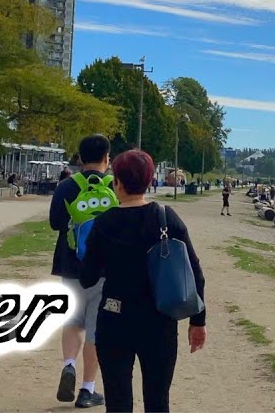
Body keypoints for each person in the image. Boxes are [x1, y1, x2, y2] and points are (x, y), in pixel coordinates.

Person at [79, 149, 206, 413]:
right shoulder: (166, 218)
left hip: (114, 320)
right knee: (158, 401)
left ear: (117, 183)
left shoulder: (103, 223)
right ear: (149, 182)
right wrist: (197, 322)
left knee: (117, 402)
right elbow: (194, 272)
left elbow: (87, 278)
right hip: (158, 322)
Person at [50, 135, 112, 408]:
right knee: (96, 330)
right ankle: (88, 389)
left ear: (79, 156)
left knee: (73, 321)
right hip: (105, 268)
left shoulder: (66, 187)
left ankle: (68, 364)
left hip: (71, 264)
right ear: (107, 158)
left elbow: (55, 223)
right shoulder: (114, 186)